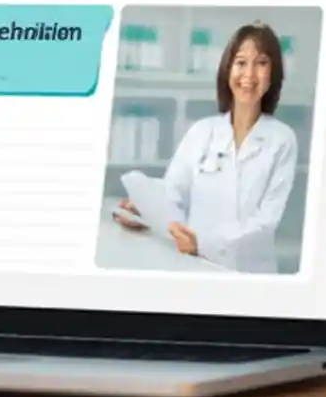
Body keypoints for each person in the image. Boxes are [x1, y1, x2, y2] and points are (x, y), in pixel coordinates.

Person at [113, 22, 298, 273]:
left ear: (273, 74)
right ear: (228, 69)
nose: (249, 74)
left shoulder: (282, 139)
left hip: (250, 272)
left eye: (261, 63)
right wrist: (143, 212)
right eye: (241, 62)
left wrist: (204, 243)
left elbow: (266, 221)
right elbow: (173, 195)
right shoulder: (201, 132)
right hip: (194, 266)